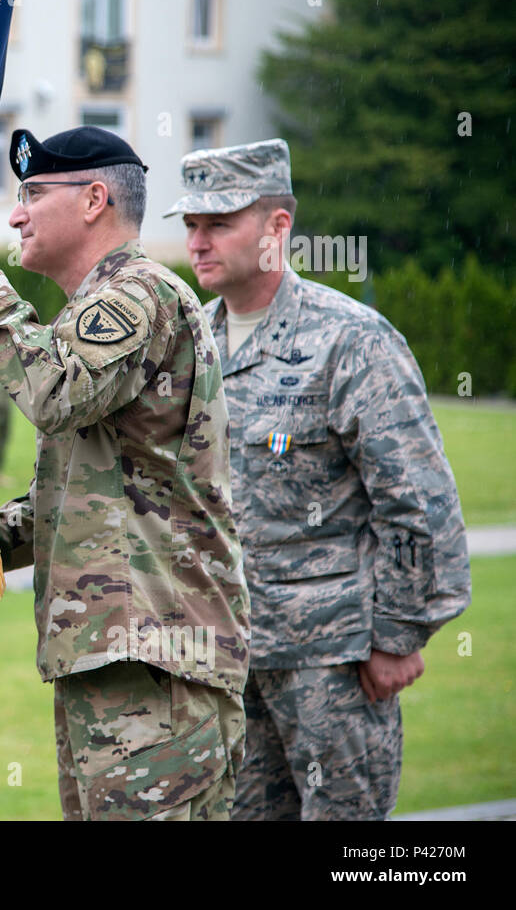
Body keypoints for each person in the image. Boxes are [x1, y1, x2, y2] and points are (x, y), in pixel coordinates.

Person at [0, 125, 250, 820]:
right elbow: (70, 505)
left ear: (93, 199)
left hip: (156, 665)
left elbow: (53, 392)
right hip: (117, 662)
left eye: (33, 195)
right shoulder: (95, 311)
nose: (16, 216)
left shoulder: (139, 295)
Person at [164, 138, 471, 820]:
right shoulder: (193, 344)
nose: (198, 242)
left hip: (332, 664)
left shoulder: (351, 341)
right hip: (226, 659)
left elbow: (417, 502)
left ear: (278, 226)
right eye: (191, 224)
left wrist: (399, 635)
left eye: (219, 223)